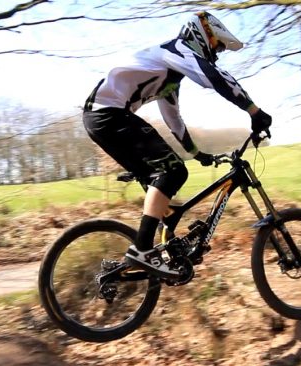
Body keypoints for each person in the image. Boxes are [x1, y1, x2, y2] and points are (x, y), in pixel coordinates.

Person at [83, 11, 272, 279]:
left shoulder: (169, 76)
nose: (216, 54)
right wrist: (254, 111)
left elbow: (173, 119)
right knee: (173, 172)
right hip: (109, 115)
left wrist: (197, 154)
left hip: (103, 118)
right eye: (217, 46)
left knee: (167, 189)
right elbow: (214, 77)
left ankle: (163, 244)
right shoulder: (176, 49)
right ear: (202, 36)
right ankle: (142, 250)